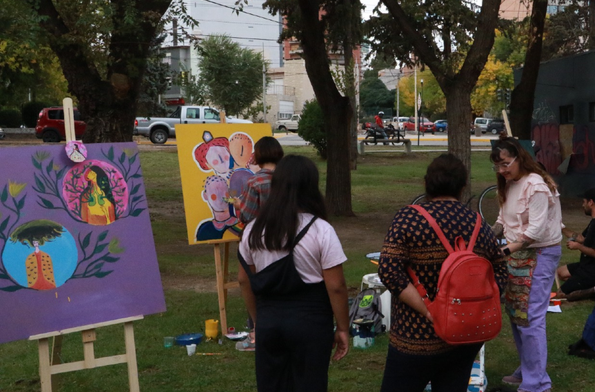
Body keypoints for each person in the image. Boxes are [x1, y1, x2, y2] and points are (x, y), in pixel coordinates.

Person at [379, 154, 507, 392]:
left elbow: (389, 270)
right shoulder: (477, 223)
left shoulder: (409, 218)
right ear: (462, 187)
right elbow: (500, 270)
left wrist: (428, 311)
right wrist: (477, 306)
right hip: (465, 335)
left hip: (415, 337)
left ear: (426, 183)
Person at [237, 155, 349, 392]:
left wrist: (258, 321)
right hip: (310, 323)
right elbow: (336, 286)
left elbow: (244, 280)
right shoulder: (321, 230)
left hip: (269, 321)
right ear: (311, 187)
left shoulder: (253, 230)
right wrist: (342, 328)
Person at [490, 138, 562, 392]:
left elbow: (536, 230)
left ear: (520, 158)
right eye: (497, 166)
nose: (502, 170)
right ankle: (528, 369)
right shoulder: (510, 185)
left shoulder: (536, 186)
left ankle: (537, 383)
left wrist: (505, 250)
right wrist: (485, 237)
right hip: (516, 255)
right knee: (517, 315)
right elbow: (502, 220)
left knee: (531, 317)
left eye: (505, 164)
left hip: (539, 253)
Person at [557, 187, 595, 301]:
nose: (582, 205)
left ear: (591, 202)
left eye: (584, 202)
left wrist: (578, 247)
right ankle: (590, 286)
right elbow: (581, 238)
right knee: (560, 273)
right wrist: (560, 226)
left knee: (561, 294)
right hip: (588, 265)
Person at [236, 136, 284, 224]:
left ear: (257, 156)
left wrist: (240, 205)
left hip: (264, 229)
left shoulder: (255, 182)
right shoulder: (289, 177)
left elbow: (247, 217)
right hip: (288, 228)